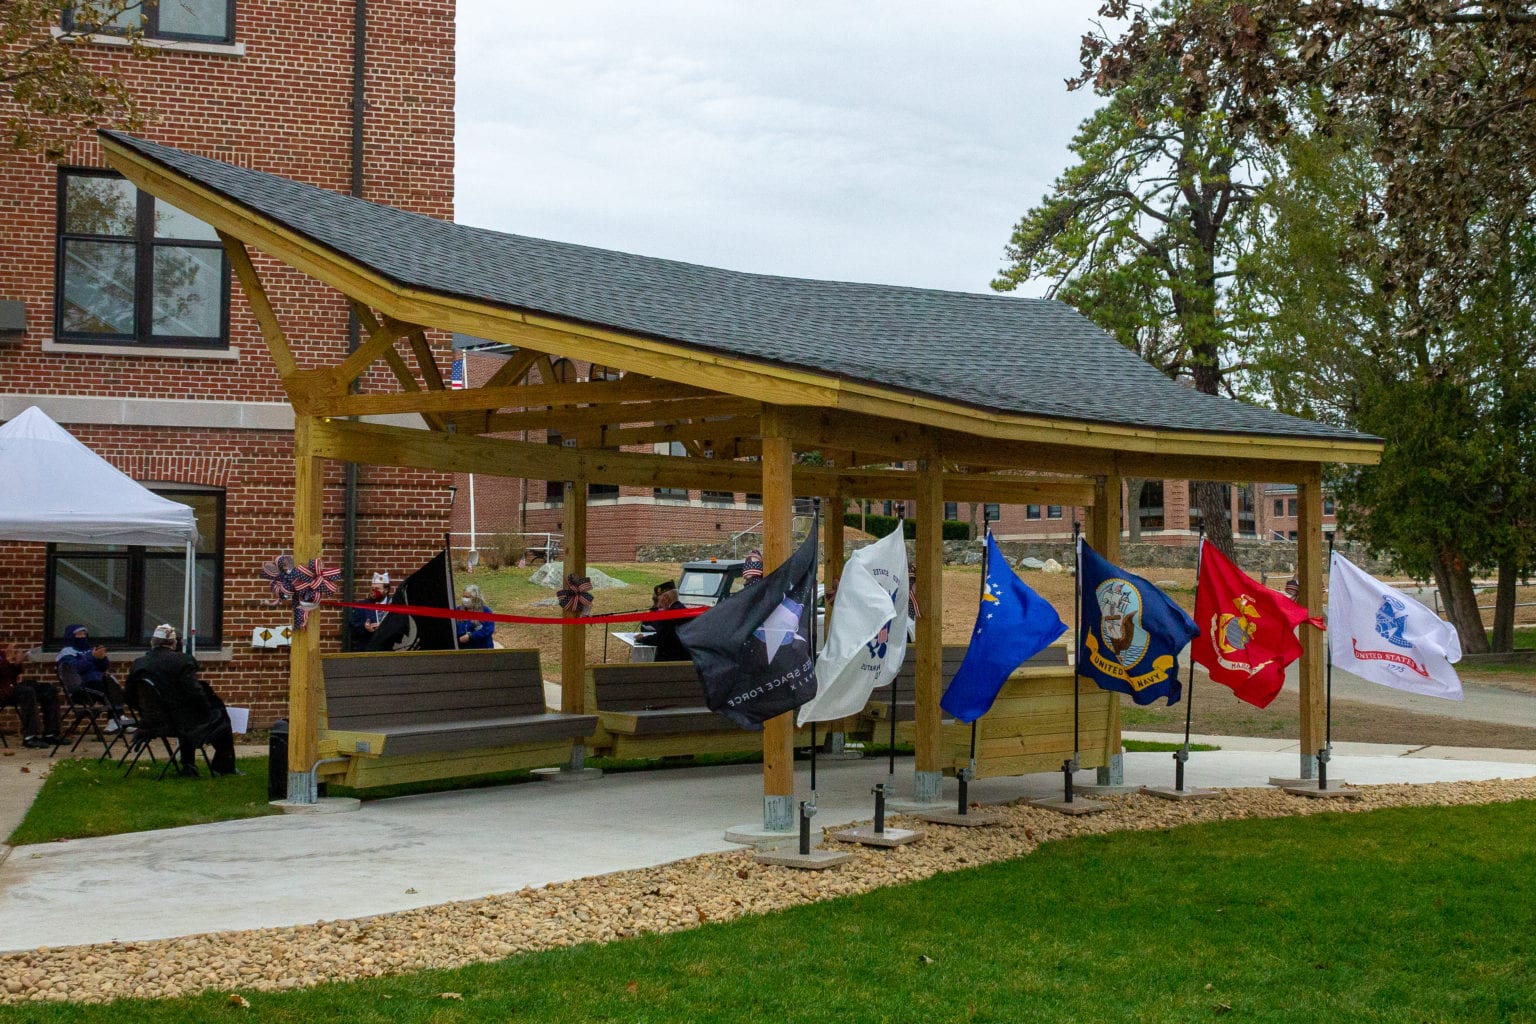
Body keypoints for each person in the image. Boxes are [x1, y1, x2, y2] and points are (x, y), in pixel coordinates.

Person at [126, 624, 237, 777]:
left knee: (189, 716)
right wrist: (205, 710)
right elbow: (195, 693)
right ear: (173, 643)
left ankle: (189, 765)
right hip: (179, 722)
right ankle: (224, 766)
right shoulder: (183, 661)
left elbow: (130, 695)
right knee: (221, 718)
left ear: (152, 642)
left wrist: (146, 713)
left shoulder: (139, 664)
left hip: (150, 722)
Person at [2, 642, 61, 749]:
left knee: (49, 689)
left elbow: (11, 675)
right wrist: (8, 660)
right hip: (3, 692)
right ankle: (30, 736)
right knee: (27, 692)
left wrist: (17, 663)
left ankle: (51, 733)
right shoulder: (4, 657)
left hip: (10, 688)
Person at [637, 580, 691, 662]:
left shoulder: (669, 616)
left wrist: (642, 639)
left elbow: (659, 639)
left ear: (666, 598)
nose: (659, 605)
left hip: (670, 660)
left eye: (659, 600)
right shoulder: (684, 610)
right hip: (687, 658)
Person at [348, 572, 393, 650]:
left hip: (387, 651)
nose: (374, 592)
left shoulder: (394, 606)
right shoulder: (362, 605)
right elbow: (352, 627)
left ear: (386, 590)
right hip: (366, 651)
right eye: (373, 589)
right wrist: (364, 627)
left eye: (377, 589)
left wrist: (385, 628)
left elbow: (401, 629)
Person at [456, 584, 495, 649]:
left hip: (482, 648)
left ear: (476, 598)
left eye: (468, 597)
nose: (465, 599)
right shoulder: (458, 610)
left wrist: (470, 636)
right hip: (463, 649)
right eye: (464, 596)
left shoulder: (486, 611)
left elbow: (488, 630)